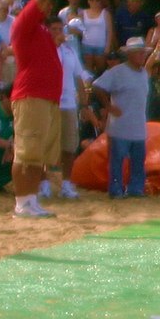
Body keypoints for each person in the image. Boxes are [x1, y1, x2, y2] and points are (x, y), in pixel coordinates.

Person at [7, 0, 77, 219]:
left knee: (37, 155)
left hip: (45, 98)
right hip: (31, 96)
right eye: (45, 3)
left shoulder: (43, 32)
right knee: (26, 152)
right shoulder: (25, 23)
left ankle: (30, 200)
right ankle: (22, 202)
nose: (49, 5)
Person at [91, 37, 152, 198]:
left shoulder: (144, 73)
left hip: (138, 125)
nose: (142, 56)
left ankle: (136, 189)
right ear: (130, 55)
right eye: (139, 53)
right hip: (121, 126)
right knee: (117, 160)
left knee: (138, 161)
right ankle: (116, 189)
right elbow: (97, 86)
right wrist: (108, 106)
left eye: (143, 53)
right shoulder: (117, 72)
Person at [46, 18, 89, 200]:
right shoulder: (43, 50)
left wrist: (85, 104)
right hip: (49, 102)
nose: (57, 32)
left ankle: (66, 183)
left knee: (69, 146)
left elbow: (79, 77)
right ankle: (44, 183)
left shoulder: (70, 51)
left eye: (59, 29)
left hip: (68, 102)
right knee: (46, 145)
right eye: (53, 29)